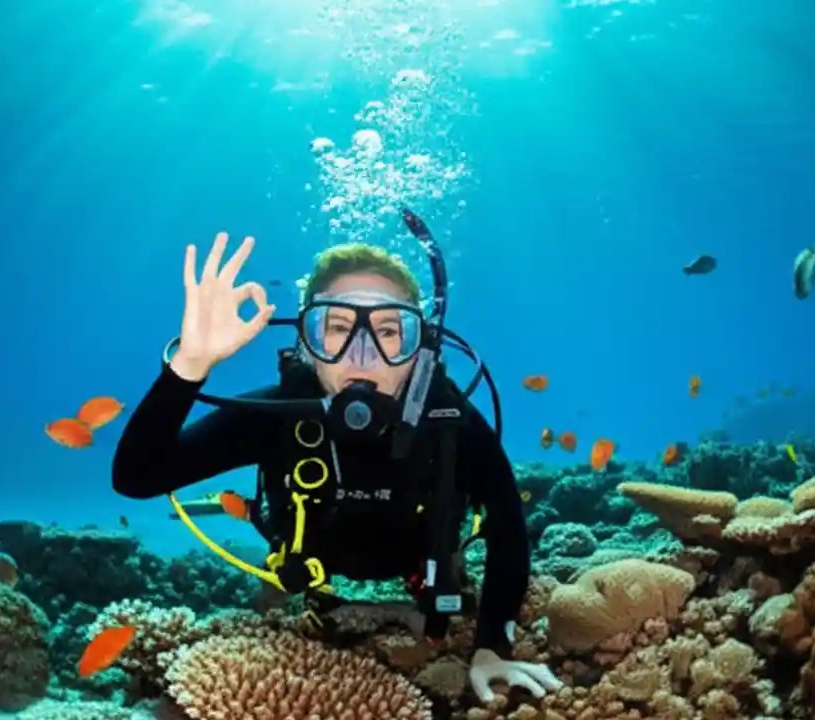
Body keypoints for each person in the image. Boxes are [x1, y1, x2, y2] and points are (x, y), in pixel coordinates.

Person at [112, 222, 563, 703]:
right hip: (310, 569)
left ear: (420, 347)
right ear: (309, 343)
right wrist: (189, 367)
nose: (363, 356)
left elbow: (508, 529)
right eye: (340, 328)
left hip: (420, 565)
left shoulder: (450, 422)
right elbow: (137, 477)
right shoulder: (278, 417)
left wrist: (491, 646)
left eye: (389, 330)